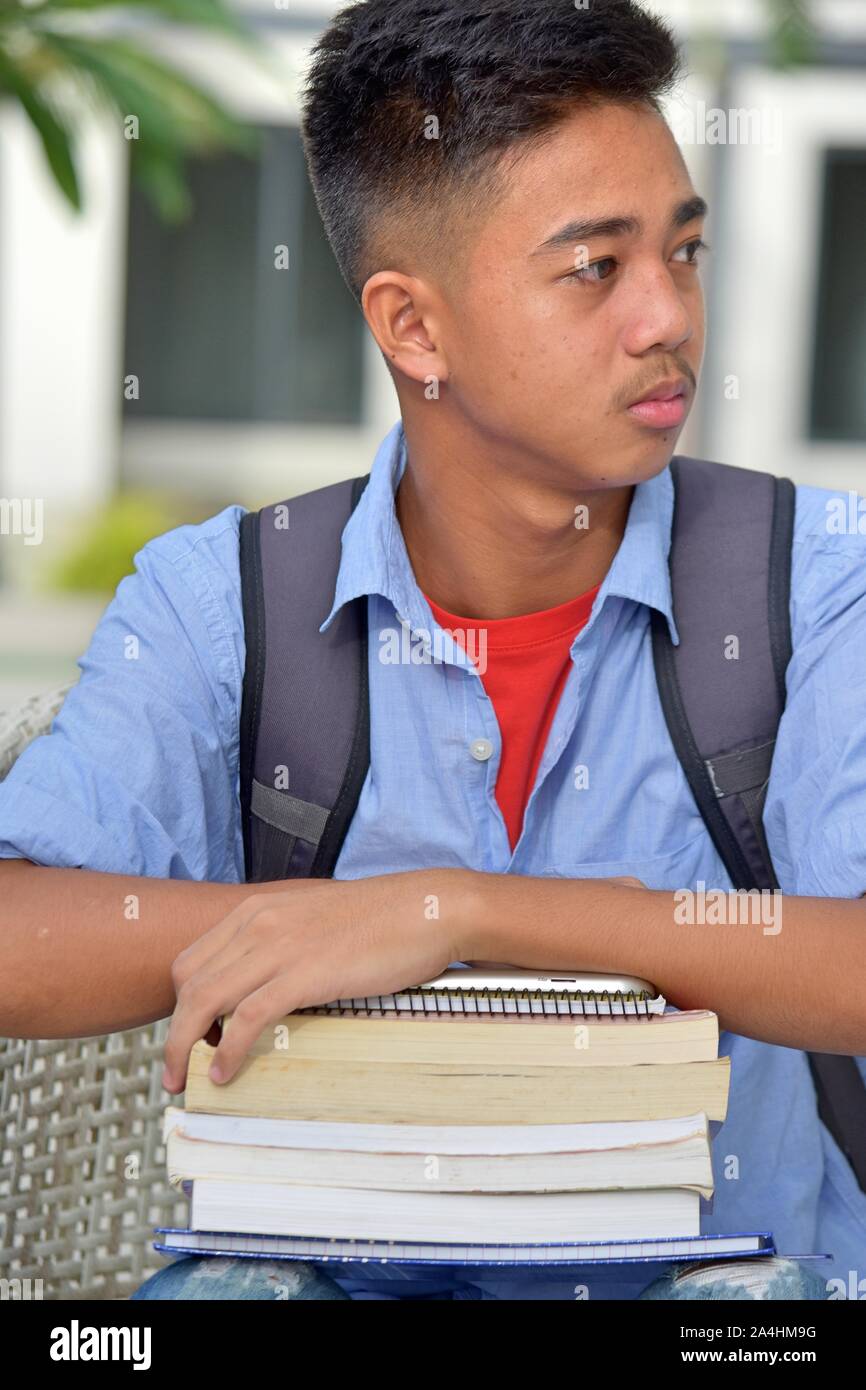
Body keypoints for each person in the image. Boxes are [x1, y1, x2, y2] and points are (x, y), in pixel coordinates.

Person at [2, 0, 864, 1301]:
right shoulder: (224, 596)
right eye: (595, 267)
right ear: (413, 327)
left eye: (682, 252)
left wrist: (446, 908)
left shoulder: (816, 579)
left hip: (737, 1288)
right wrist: (305, 927)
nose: (665, 317)